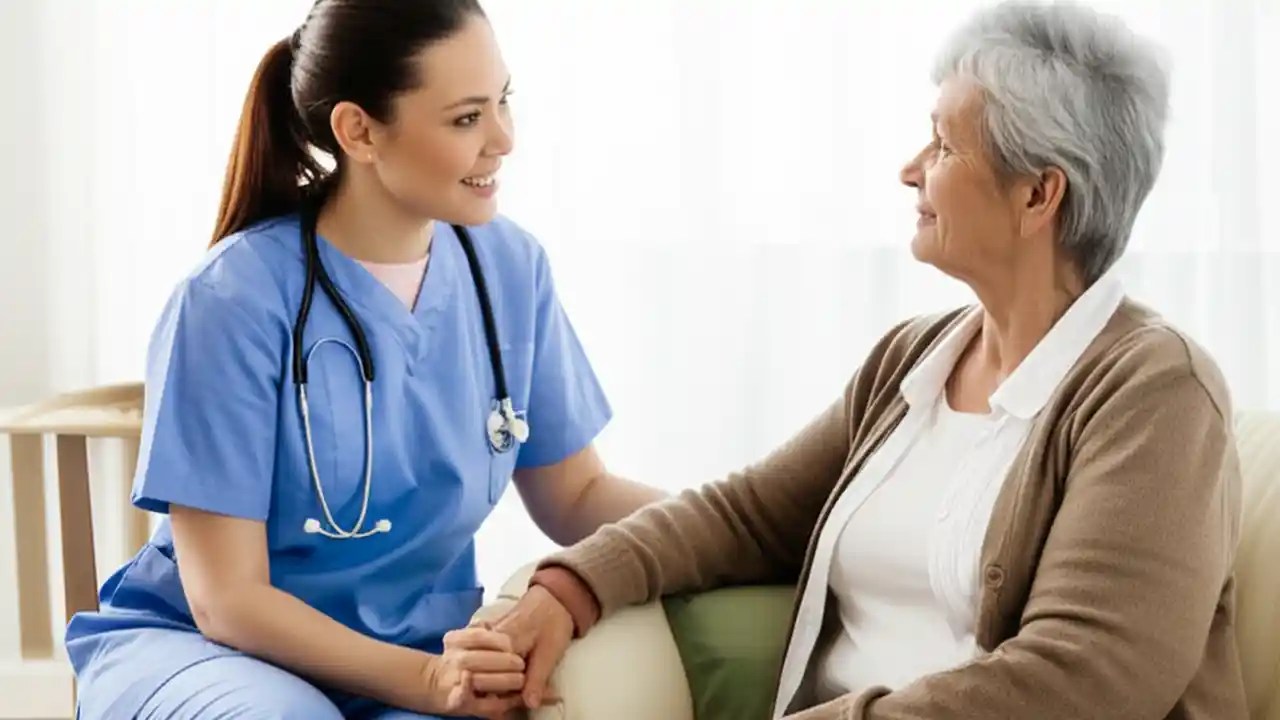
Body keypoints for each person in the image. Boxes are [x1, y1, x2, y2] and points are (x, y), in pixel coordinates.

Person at [486, 2, 1249, 718]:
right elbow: (747, 516)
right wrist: (571, 586)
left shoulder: (1157, 393)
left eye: (946, 145)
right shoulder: (914, 359)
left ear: (1038, 196)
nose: (912, 169)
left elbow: (1086, 679)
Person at [61, 1, 664, 718]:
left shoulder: (510, 269)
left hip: (410, 653)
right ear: (358, 131)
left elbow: (577, 496)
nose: (504, 139)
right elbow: (227, 599)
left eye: (504, 101)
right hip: (209, 653)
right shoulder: (231, 299)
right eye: (466, 118)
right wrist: (431, 683)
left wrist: (749, 527)